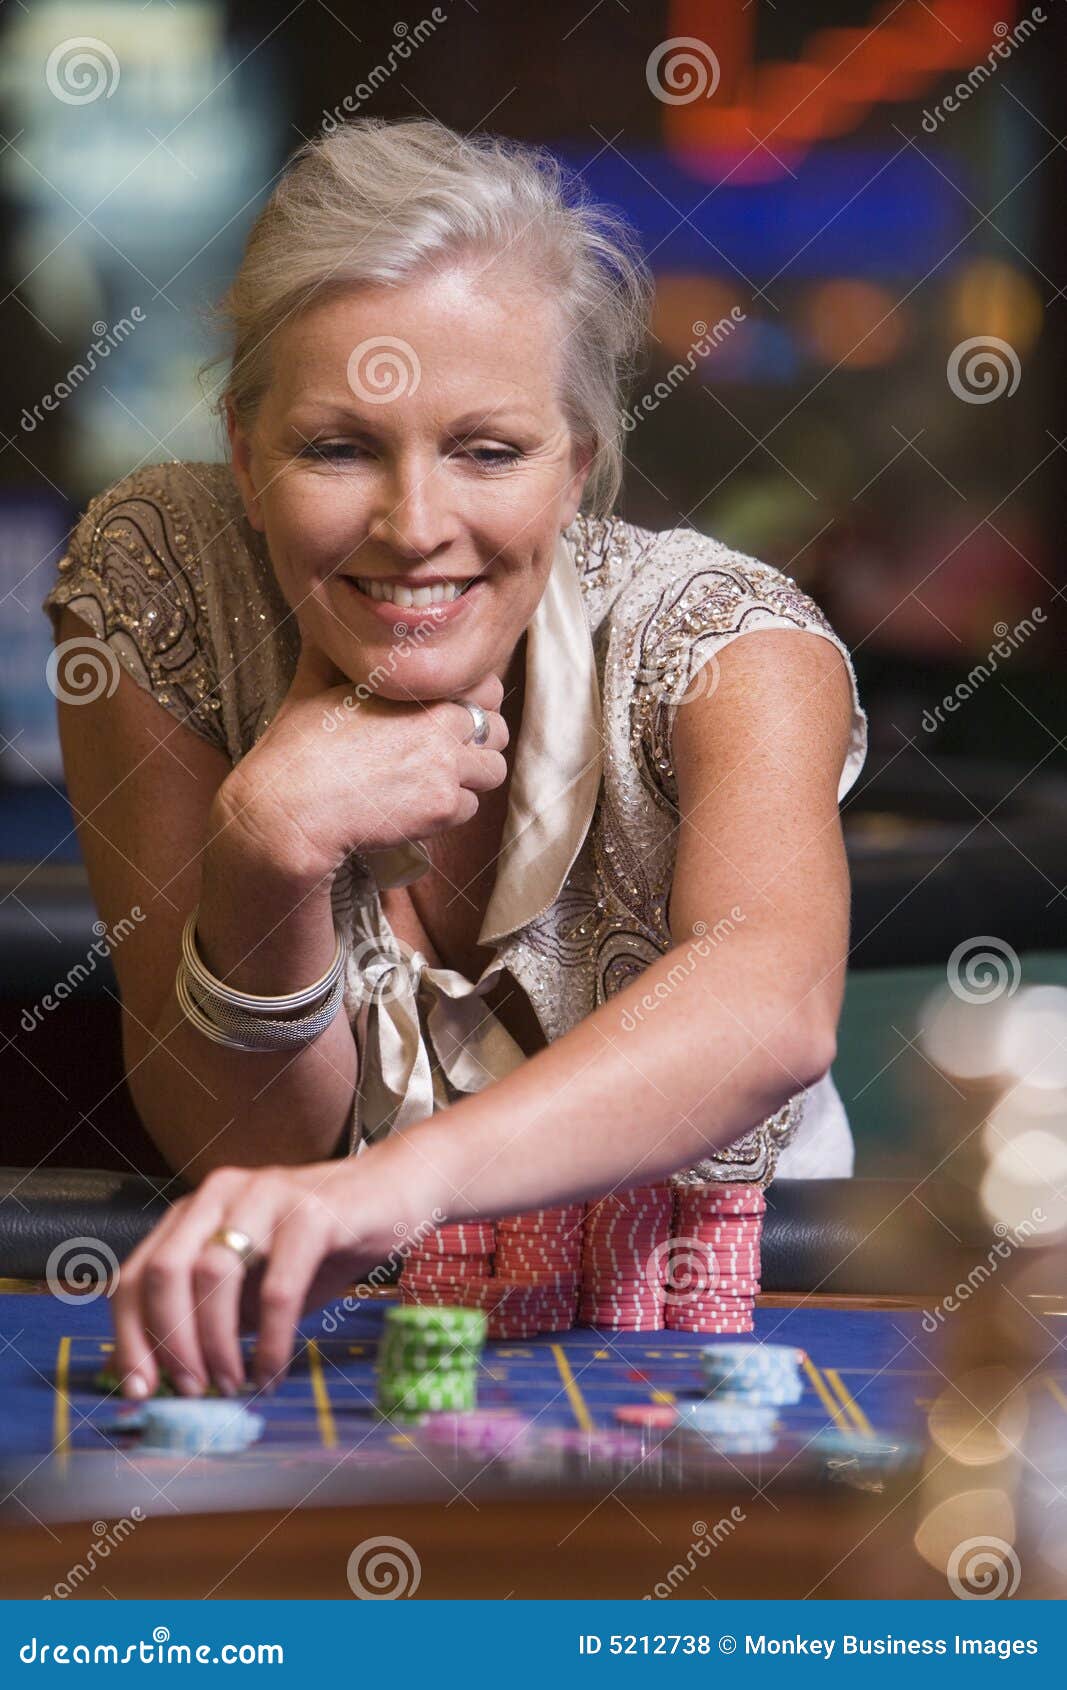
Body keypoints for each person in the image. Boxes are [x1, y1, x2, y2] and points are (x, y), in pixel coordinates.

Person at [41, 118, 865, 1401]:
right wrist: (262, 848)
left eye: (487, 449)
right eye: (338, 446)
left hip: (730, 1333)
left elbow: (771, 1004)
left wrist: (394, 1187)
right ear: (245, 457)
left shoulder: (726, 638)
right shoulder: (163, 579)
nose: (416, 528)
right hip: (334, 1349)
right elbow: (237, 1139)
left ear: (576, 468)